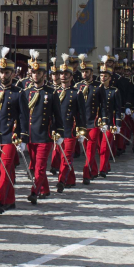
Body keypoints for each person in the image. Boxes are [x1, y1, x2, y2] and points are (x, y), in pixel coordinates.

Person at [20, 50, 62, 202]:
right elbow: (23, 116)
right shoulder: (26, 92)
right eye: (33, 73)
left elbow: (57, 115)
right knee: (35, 166)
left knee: (40, 167)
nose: (35, 75)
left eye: (39, 73)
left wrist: (59, 132)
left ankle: (34, 192)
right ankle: (45, 189)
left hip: (45, 135)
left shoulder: (51, 92)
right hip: (31, 135)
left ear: (44, 74)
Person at [0, 47, 23, 213]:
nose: (3, 75)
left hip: (11, 136)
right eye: (1, 72)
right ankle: (10, 199)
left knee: (4, 169)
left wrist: (22, 137)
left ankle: (0, 201)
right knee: (6, 169)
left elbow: (23, 117)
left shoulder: (19, 93)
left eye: (7, 72)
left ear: (13, 74)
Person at [52, 54, 81, 192]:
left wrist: (81, 130)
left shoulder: (76, 93)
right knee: (63, 155)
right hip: (58, 130)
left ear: (71, 76)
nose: (63, 76)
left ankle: (61, 180)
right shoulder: (54, 92)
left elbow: (80, 114)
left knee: (67, 156)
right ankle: (71, 179)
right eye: (61, 74)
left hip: (70, 129)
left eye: (66, 74)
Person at [73, 54, 103, 185]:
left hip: (94, 121)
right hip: (82, 123)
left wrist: (104, 119)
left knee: (91, 149)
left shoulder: (98, 86)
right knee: (86, 149)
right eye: (83, 71)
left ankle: (86, 174)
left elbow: (103, 106)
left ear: (91, 72)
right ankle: (94, 170)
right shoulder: (77, 86)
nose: (84, 74)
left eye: (87, 71)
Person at [96, 59, 121, 177]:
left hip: (109, 122)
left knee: (104, 148)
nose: (103, 78)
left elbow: (117, 109)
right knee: (97, 147)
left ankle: (102, 169)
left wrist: (117, 124)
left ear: (110, 78)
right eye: (101, 75)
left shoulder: (114, 91)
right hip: (97, 122)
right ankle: (106, 165)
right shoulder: (95, 90)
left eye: (105, 76)